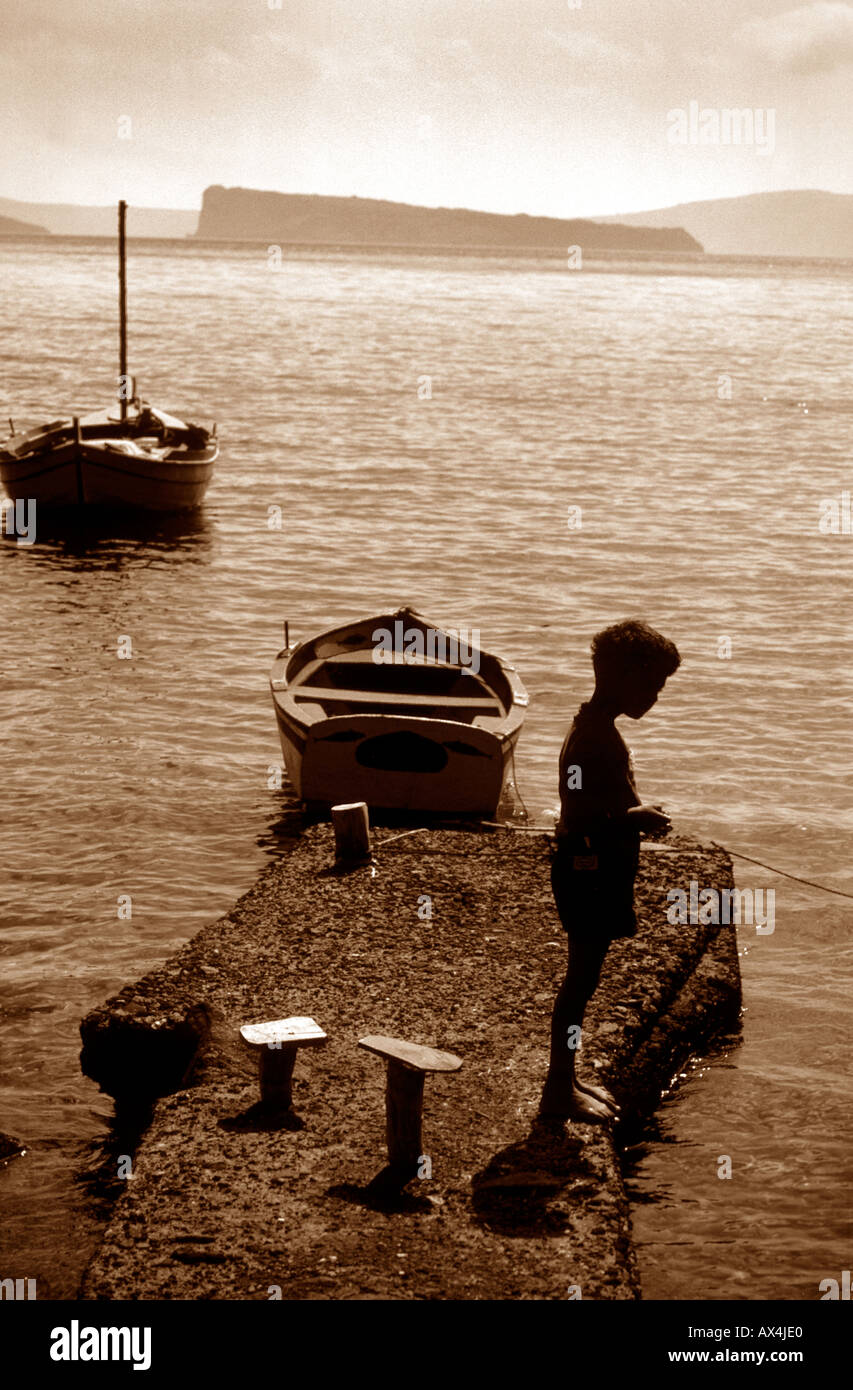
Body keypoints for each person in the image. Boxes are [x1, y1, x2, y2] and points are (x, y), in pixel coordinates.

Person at [539, 619, 681, 1123]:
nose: (656, 697)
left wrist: (634, 815)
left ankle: (567, 1077)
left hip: (596, 872)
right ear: (621, 677)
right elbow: (578, 819)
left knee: (585, 982)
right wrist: (631, 820)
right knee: (579, 984)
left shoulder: (598, 728)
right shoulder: (592, 740)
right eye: (652, 685)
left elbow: (594, 805)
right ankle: (558, 1089)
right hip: (587, 874)